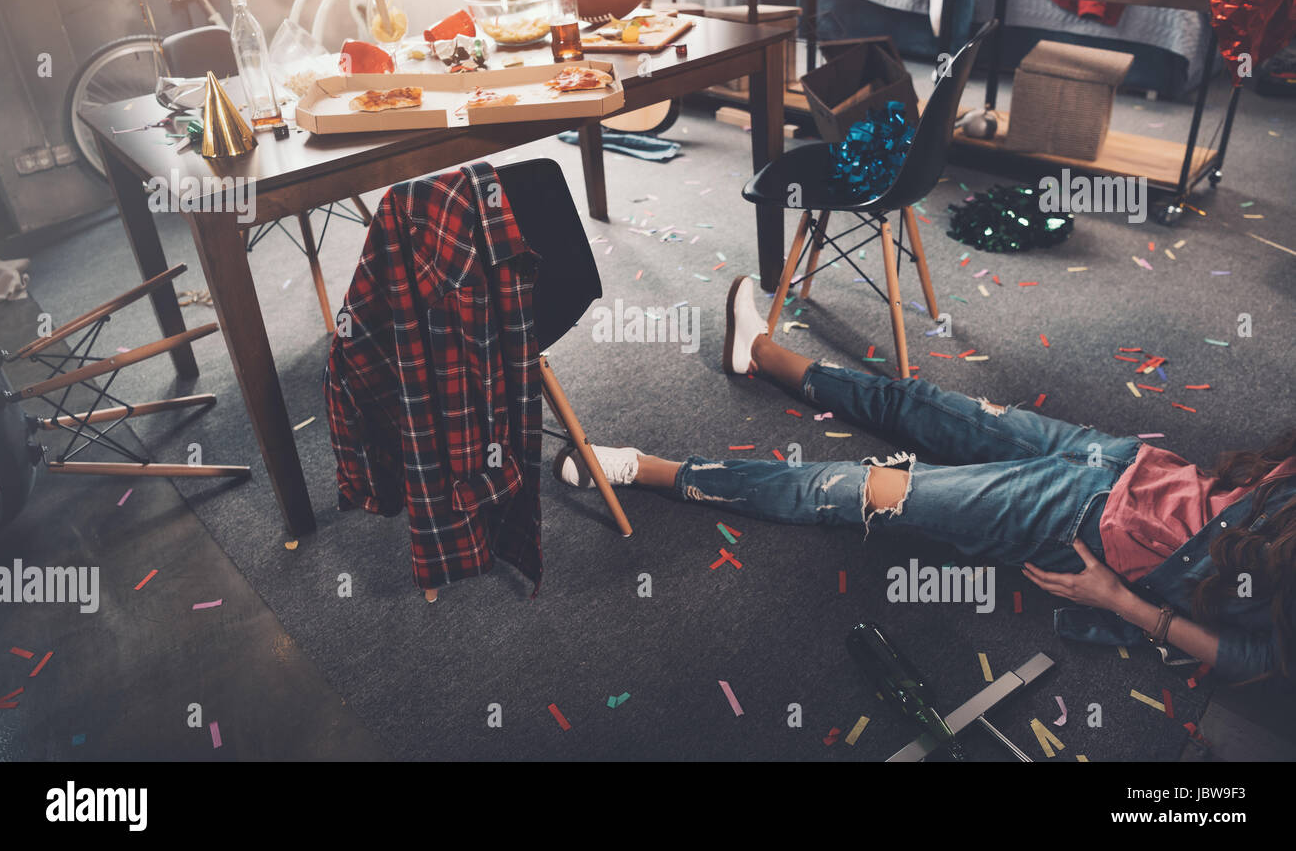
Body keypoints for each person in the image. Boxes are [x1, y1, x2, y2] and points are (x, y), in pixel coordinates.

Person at [555, 276, 1296, 685]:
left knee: (871, 490)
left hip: (1089, 530)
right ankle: (765, 357)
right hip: (1129, 463)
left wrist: (1124, 605)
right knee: (925, 403)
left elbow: (1259, 657)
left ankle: (648, 471)